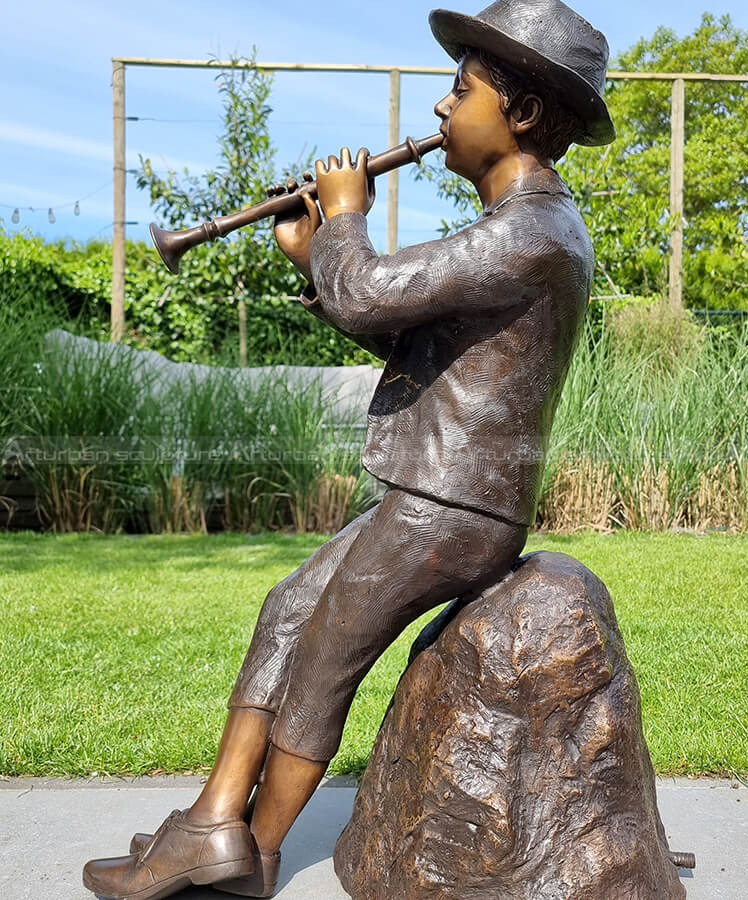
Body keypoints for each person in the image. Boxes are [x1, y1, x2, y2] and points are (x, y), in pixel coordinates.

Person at [82, 2, 614, 897]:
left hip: (455, 506)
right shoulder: (524, 228)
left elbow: (368, 292)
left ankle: (251, 848)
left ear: (521, 113)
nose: (442, 108)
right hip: (434, 496)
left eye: (461, 90)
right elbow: (402, 332)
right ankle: (217, 823)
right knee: (289, 609)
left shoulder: (530, 233)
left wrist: (344, 219)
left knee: (324, 655)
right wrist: (316, 258)